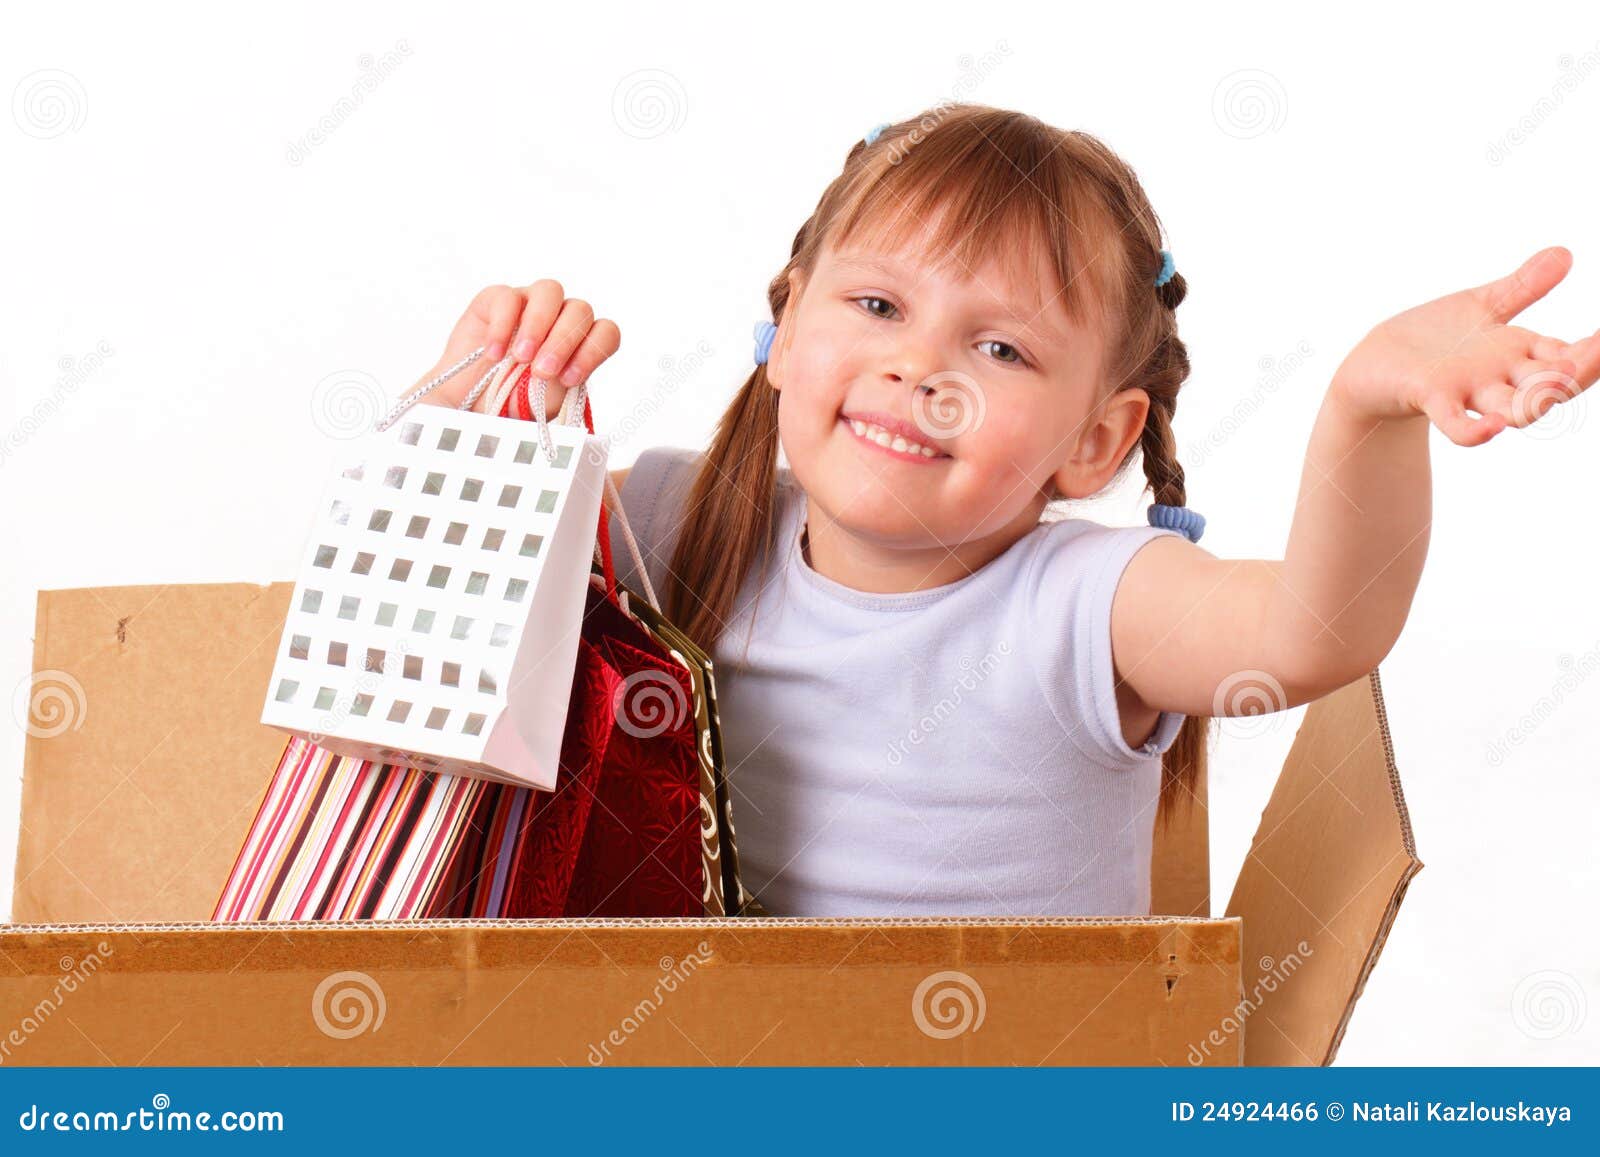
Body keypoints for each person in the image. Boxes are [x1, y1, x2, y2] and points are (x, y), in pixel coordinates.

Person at [410, 103, 1597, 917]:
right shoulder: (680, 519)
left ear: (1095, 441)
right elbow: (424, 611)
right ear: (782, 324)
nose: (921, 368)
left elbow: (1313, 631)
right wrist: (468, 414)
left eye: (999, 346)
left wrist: (1364, 409)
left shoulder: (1090, 605)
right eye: (876, 303)